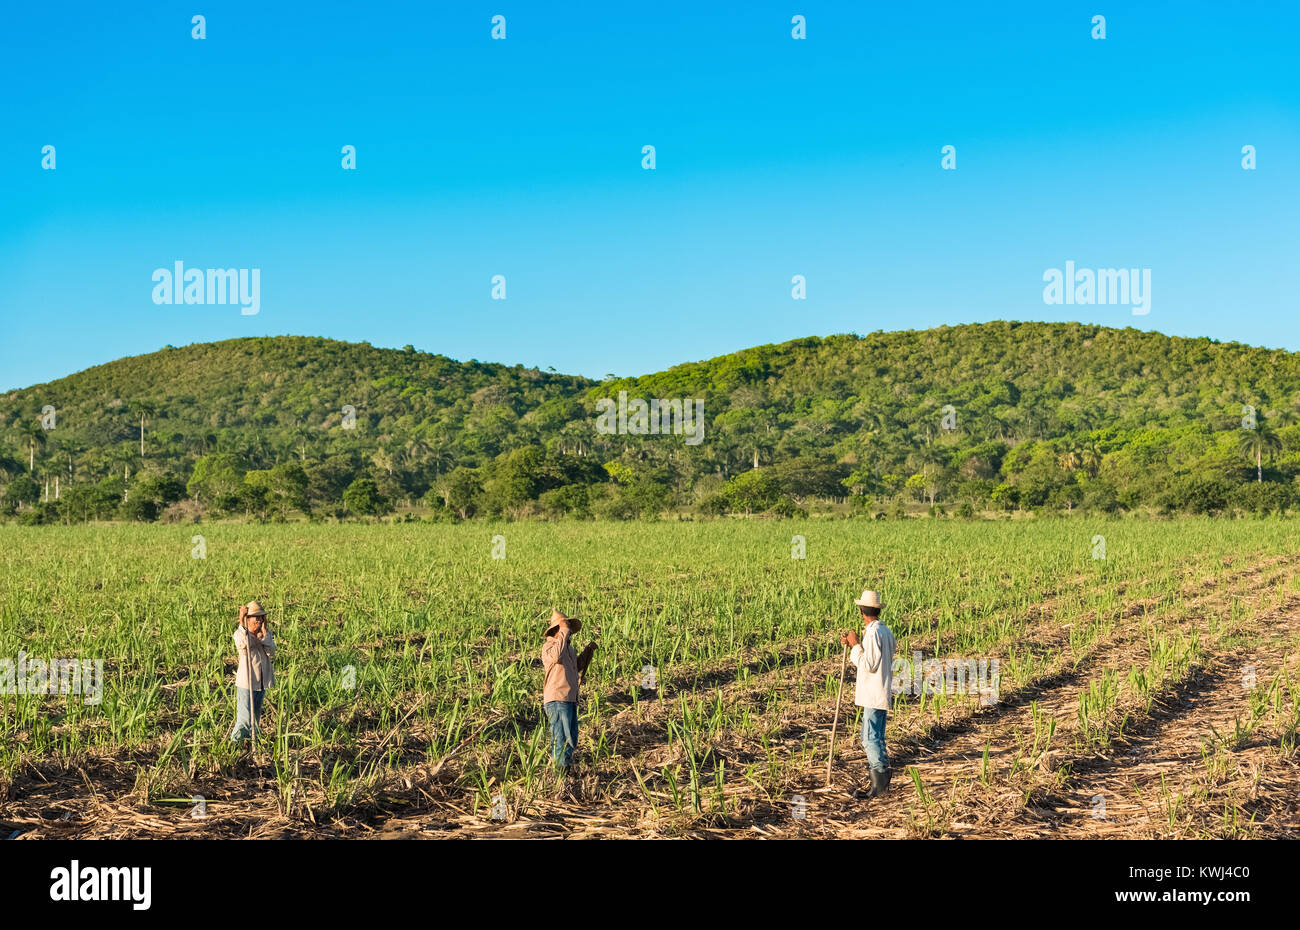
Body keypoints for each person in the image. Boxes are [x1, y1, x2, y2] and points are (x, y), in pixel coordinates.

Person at [840, 588, 896, 799]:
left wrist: (855, 645)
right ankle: (881, 779)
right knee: (875, 736)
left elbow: (869, 664)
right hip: (880, 691)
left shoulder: (873, 633)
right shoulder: (885, 631)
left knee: (870, 738)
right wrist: (856, 645)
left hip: (873, 693)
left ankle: (879, 785)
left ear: (862, 612)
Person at [541, 609, 597, 787]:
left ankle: (565, 773)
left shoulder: (568, 649)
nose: (570, 631)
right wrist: (564, 630)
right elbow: (556, 656)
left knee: (571, 737)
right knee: (561, 736)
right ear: (557, 629)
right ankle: (559, 779)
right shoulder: (550, 647)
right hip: (557, 699)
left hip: (570, 698)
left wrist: (587, 652)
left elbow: (576, 667)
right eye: (566, 627)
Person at [231, 601, 275, 743]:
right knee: (244, 719)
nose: (259, 620)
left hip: (260, 683)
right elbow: (242, 644)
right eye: (255, 617)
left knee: (255, 719)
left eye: (261, 617)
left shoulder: (264, 636)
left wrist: (264, 633)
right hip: (247, 683)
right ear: (247, 619)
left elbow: (271, 651)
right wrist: (241, 620)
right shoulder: (241, 634)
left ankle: (252, 744)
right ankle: (235, 744)